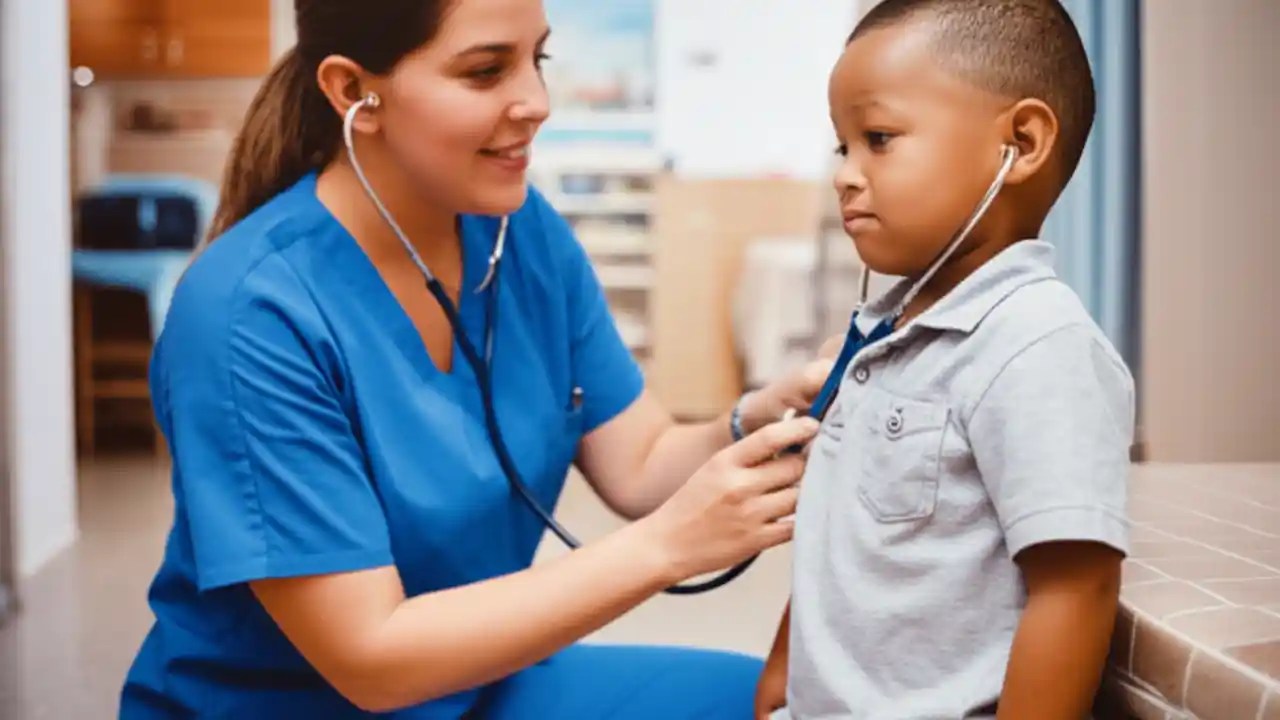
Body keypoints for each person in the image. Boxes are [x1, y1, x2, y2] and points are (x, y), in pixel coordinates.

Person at [119, 0, 833, 717]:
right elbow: (372, 663)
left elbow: (641, 459)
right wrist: (669, 547)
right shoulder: (250, 313)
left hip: (478, 687)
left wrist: (753, 423)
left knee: (791, 702)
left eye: (538, 60)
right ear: (350, 93)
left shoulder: (521, 234)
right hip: (293, 704)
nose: (538, 103)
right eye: (487, 70)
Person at [754, 1, 1134, 718]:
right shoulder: (884, 337)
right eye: (842, 147)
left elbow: (1076, 588)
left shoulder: (1037, 345)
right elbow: (846, 546)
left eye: (878, 138)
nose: (845, 174)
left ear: (1020, 143)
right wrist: (784, 671)